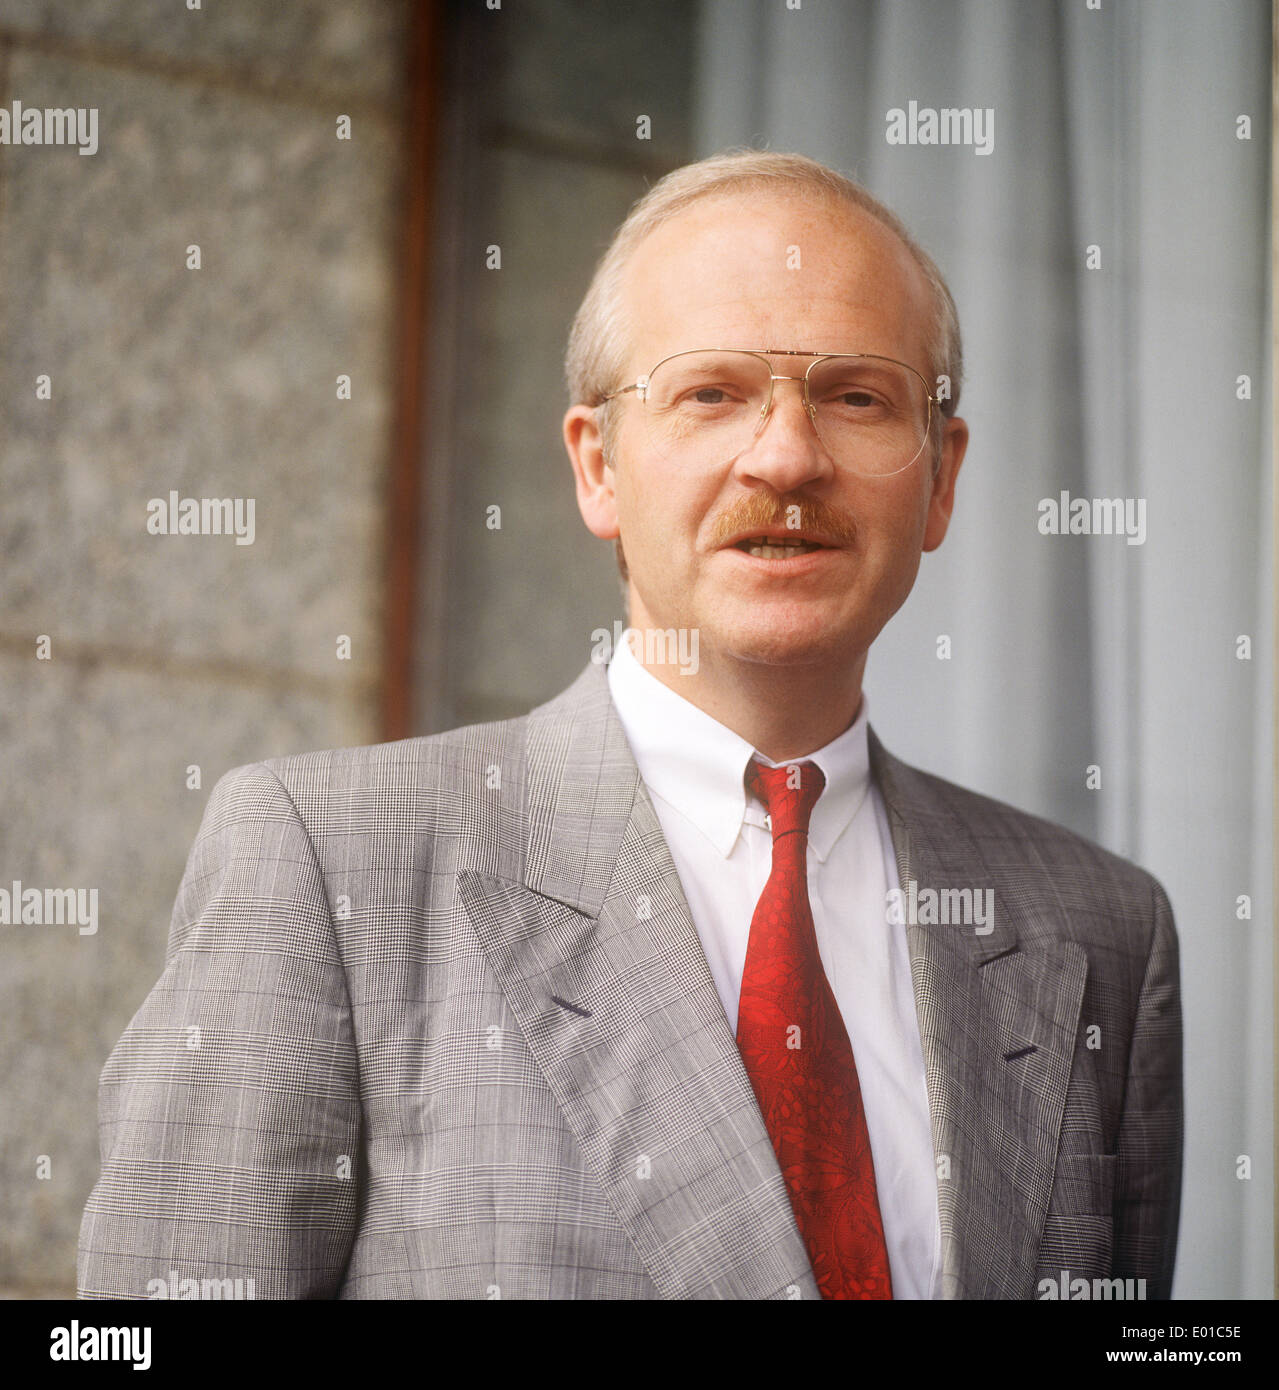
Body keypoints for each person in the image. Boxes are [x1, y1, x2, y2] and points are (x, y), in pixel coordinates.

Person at [78, 150, 1182, 1301]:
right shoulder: (329, 865)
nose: (788, 455)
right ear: (598, 465)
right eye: (711, 391)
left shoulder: (1099, 931)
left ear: (940, 480)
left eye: (855, 394)